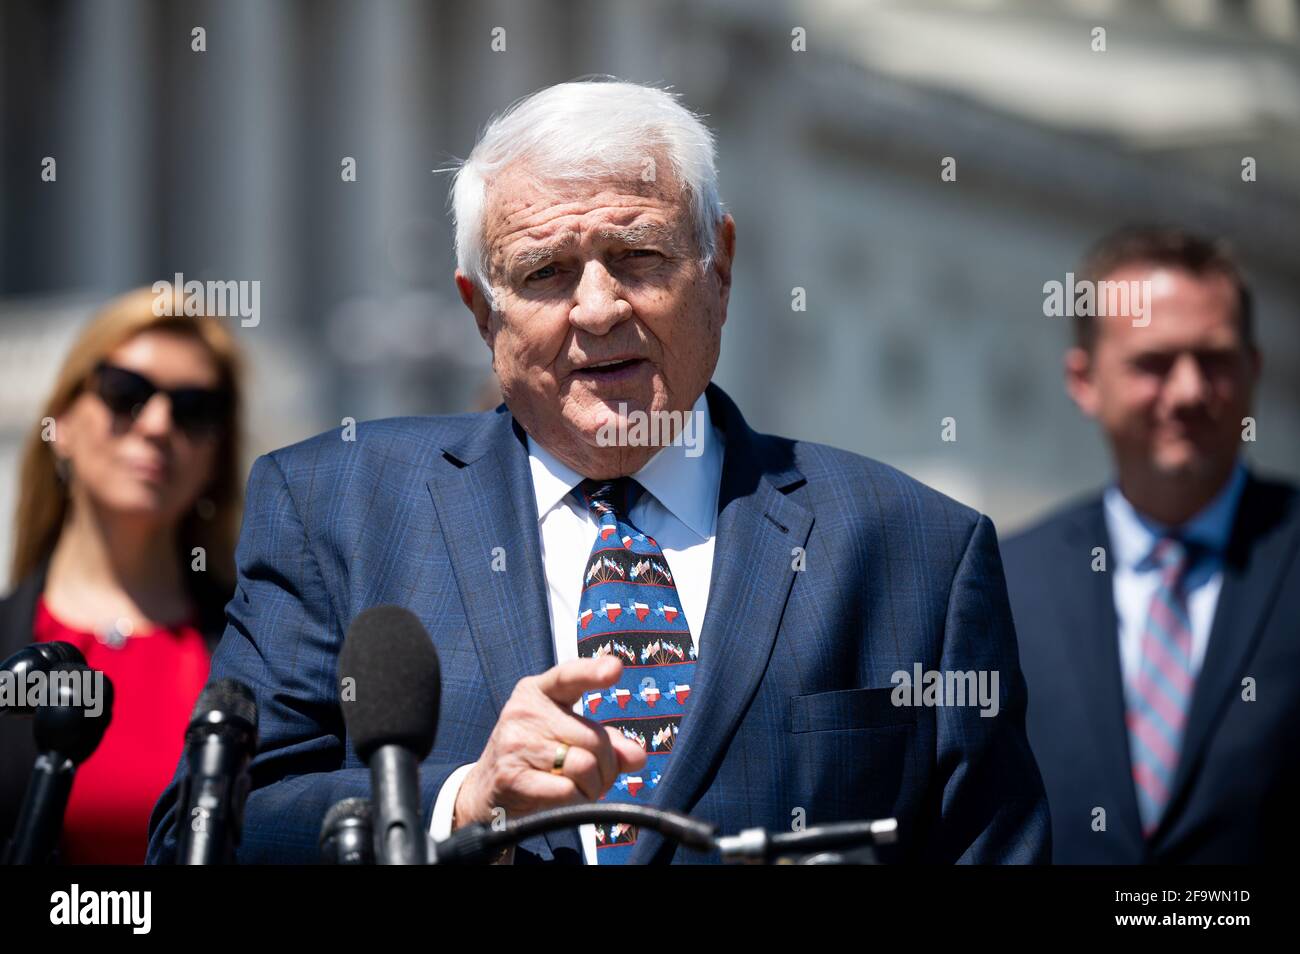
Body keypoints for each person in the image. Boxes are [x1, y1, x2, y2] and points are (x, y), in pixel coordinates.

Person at [147, 78, 1048, 865]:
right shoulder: (333, 508)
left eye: (639, 257)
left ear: (721, 269)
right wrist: (459, 806)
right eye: (543, 273)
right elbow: (207, 830)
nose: (598, 308)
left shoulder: (916, 548)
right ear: (479, 312)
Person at [1001, 227, 1299, 863]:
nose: (1189, 392)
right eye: (1154, 364)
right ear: (1084, 381)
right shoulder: (1006, 581)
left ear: (1254, 371)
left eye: (1214, 360)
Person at [0, 286, 245, 863]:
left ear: (216, 456)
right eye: (125, 393)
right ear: (59, 424)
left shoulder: (259, 649)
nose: (158, 425)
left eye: (194, 409)